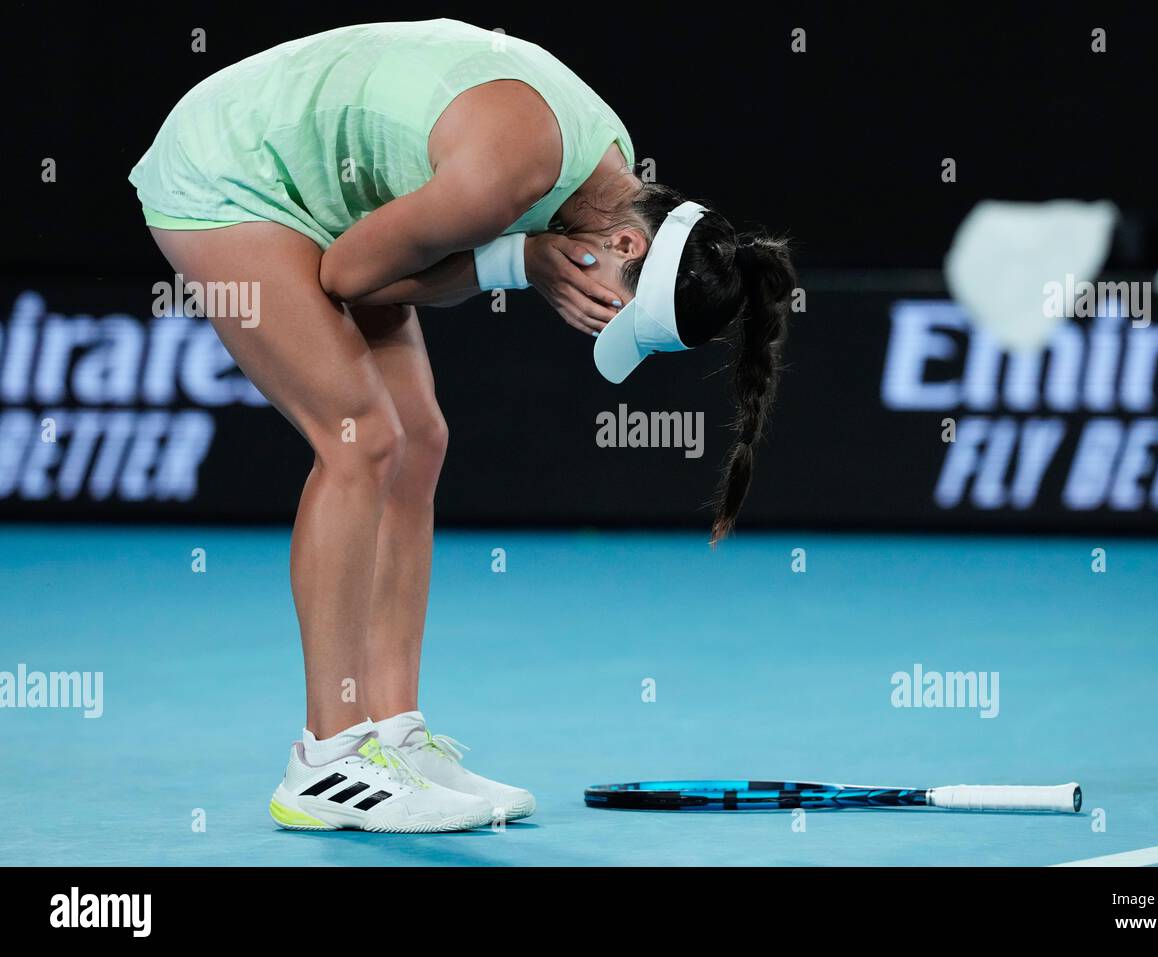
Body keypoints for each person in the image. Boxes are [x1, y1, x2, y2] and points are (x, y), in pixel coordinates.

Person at [129, 18, 795, 832]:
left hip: (329, 190)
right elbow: (346, 273)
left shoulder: (600, 171)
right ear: (626, 240)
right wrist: (519, 261)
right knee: (362, 437)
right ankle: (327, 757)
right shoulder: (515, 173)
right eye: (608, 304)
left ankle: (394, 733)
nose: (588, 316)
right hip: (230, 168)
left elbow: (385, 273)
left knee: (420, 442)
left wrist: (521, 255)